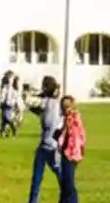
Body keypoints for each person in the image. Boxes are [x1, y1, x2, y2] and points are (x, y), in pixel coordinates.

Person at [26, 75, 65, 203]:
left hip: (49, 146)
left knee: (38, 178)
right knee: (59, 175)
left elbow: (34, 104)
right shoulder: (58, 103)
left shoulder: (46, 102)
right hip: (52, 145)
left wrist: (27, 97)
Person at [57, 95, 85, 203]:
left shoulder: (74, 120)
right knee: (66, 183)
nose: (66, 109)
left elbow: (78, 137)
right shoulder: (64, 120)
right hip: (67, 153)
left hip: (71, 154)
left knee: (68, 185)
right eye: (64, 106)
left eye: (68, 106)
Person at [0, 72, 21, 137]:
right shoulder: (5, 87)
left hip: (9, 104)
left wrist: (16, 104)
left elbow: (15, 97)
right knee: (4, 118)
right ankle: (3, 132)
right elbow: (2, 95)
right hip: (4, 104)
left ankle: (13, 129)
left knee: (7, 118)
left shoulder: (13, 88)